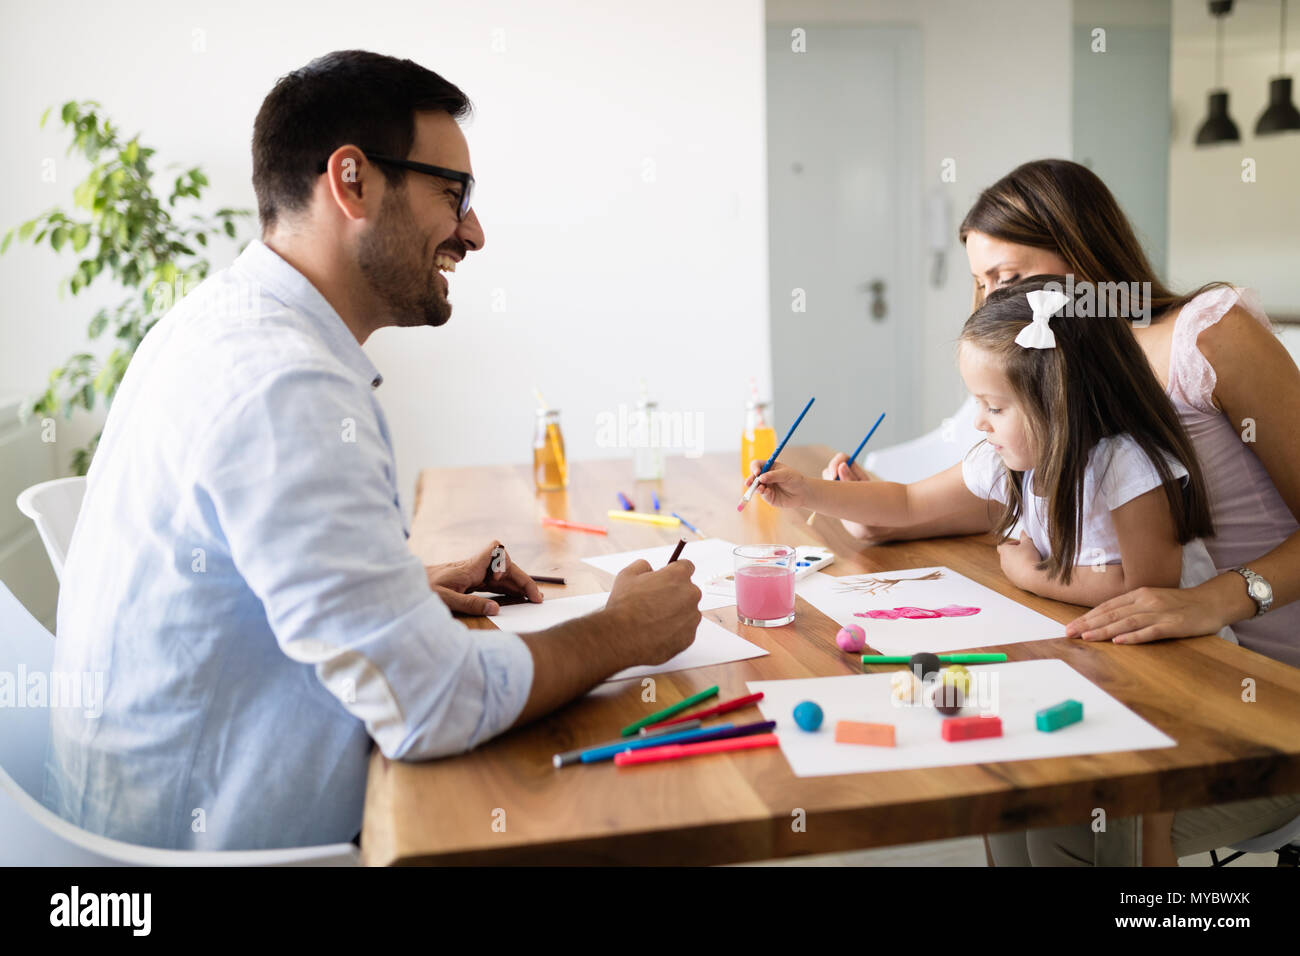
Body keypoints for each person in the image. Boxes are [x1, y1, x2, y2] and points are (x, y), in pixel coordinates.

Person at [43, 50, 702, 851]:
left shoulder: (214, 323)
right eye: (452, 194)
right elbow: (434, 706)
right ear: (351, 180)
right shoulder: (287, 384)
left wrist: (391, 592)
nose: (475, 232)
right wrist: (625, 630)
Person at [826, 160, 1300, 668]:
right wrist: (892, 522)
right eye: (981, 284)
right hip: (1150, 647)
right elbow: (1043, 490)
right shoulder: (1054, 365)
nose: (994, 301)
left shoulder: (1209, 335)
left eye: (1007, 277)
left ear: (1081, 254)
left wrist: (1213, 598)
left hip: (1259, 660)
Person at [750, 276, 1228, 614]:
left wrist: (1032, 576)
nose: (979, 422)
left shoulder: (1128, 466)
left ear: (1062, 406)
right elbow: (908, 501)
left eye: (994, 407)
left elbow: (1147, 590)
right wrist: (807, 491)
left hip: (1182, 662)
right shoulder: (1010, 461)